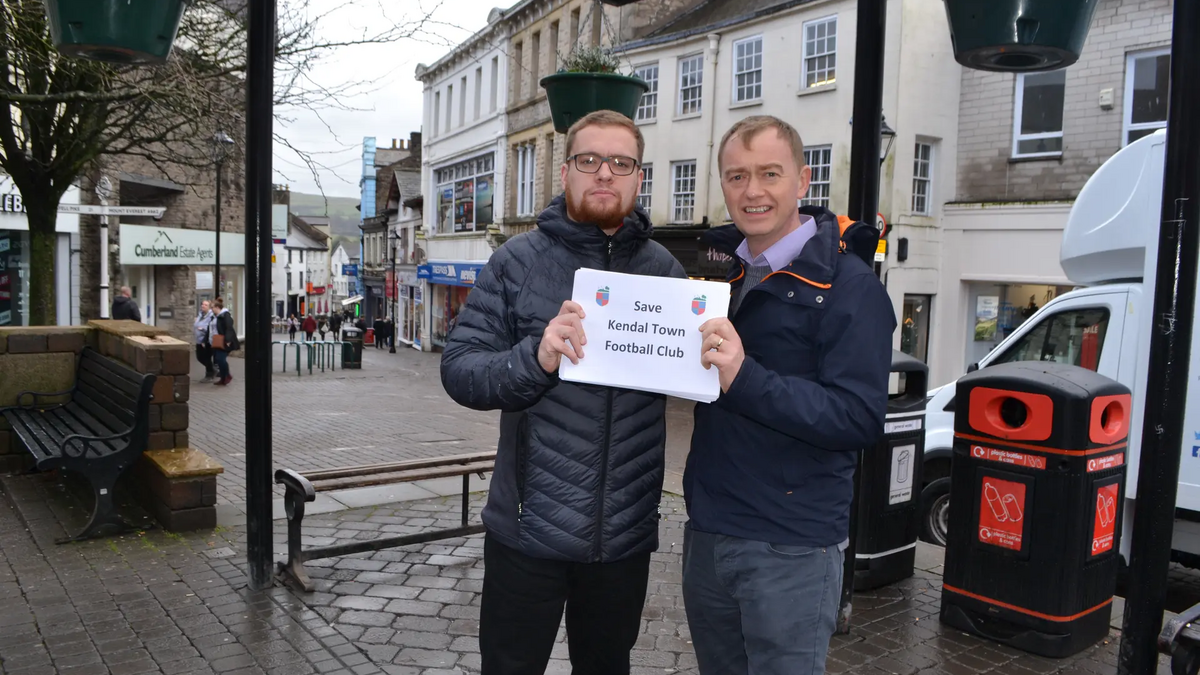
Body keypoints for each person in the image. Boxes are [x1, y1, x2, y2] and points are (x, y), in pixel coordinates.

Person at [441, 110, 686, 675]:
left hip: (621, 537)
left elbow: (692, 381)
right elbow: (460, 370)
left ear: (638, 178)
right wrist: (537, 357)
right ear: (565, 171)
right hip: (528, 530)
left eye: (621, 163)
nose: (605, 173)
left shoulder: (666, 273)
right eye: (589, 160)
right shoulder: (516, 262)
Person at [682, 116, 896, 675]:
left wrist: (744, 376)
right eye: (736, 176)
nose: (752, 191)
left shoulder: (853, 289)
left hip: (791, 546)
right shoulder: (718, 280)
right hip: (709, 531)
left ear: (803, 180)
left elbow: (858, 419)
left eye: (769, 174)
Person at [208, 297, 240, 386]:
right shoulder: (214, 317)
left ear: (217, 307)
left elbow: (229, 328)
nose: (211, 309)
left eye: (212, 307)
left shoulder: (225, 315)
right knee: (218, 359)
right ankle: (223, 377)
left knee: (220, 359)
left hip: (223, 341)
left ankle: (226, 376)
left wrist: (228, 340)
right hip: (216, 340)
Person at [193, 300, 216, 383]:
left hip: (206, 340)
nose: (203, 306)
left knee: (206, 357)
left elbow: (211, 328)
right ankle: (213, 369)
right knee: (199, 357)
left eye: (205, 305)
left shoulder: (211, 316)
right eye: (202, 304)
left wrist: (203, 329)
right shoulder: (200, 315)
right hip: (199, 340)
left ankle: (209, 374)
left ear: (209, 307)